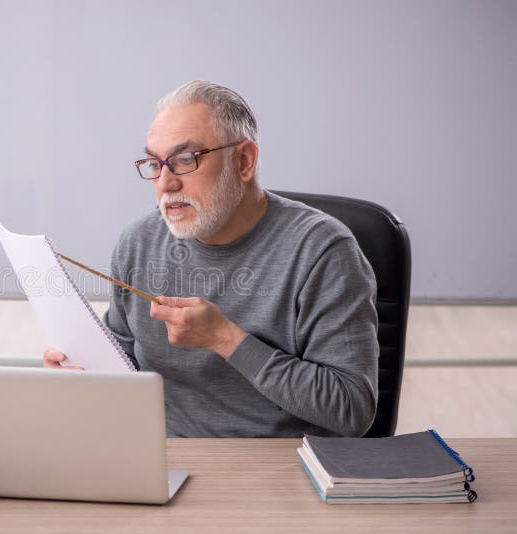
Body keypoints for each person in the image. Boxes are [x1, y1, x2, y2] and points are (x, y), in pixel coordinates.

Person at [44, 81, 378, 438]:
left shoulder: (322, 250)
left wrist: (227, 339)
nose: (166, 183)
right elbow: (121, 372)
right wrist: (82, 375)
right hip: (163, 462)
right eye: (155, 164)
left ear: (244, 161)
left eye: (185, 160)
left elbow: (353, 409)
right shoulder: (138, 243)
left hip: (282, 471)